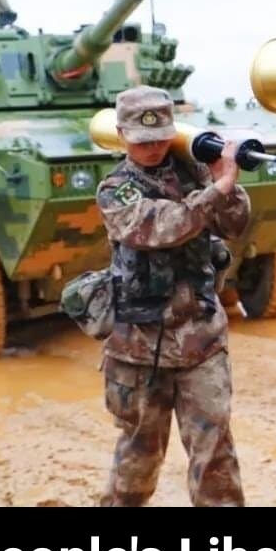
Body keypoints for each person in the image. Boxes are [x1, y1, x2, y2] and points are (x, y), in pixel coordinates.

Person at [95, 85, 250, 507]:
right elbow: (159, 228)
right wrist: (215, 192)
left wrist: (226, 183)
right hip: (138, 349)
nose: (153, 147)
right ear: (122, 134)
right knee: (137, 462)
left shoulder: (195, 174)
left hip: (201, 342)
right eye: (142, 139)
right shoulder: (115, 189)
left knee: (216, 458)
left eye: (161, 136)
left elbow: (235, 225)